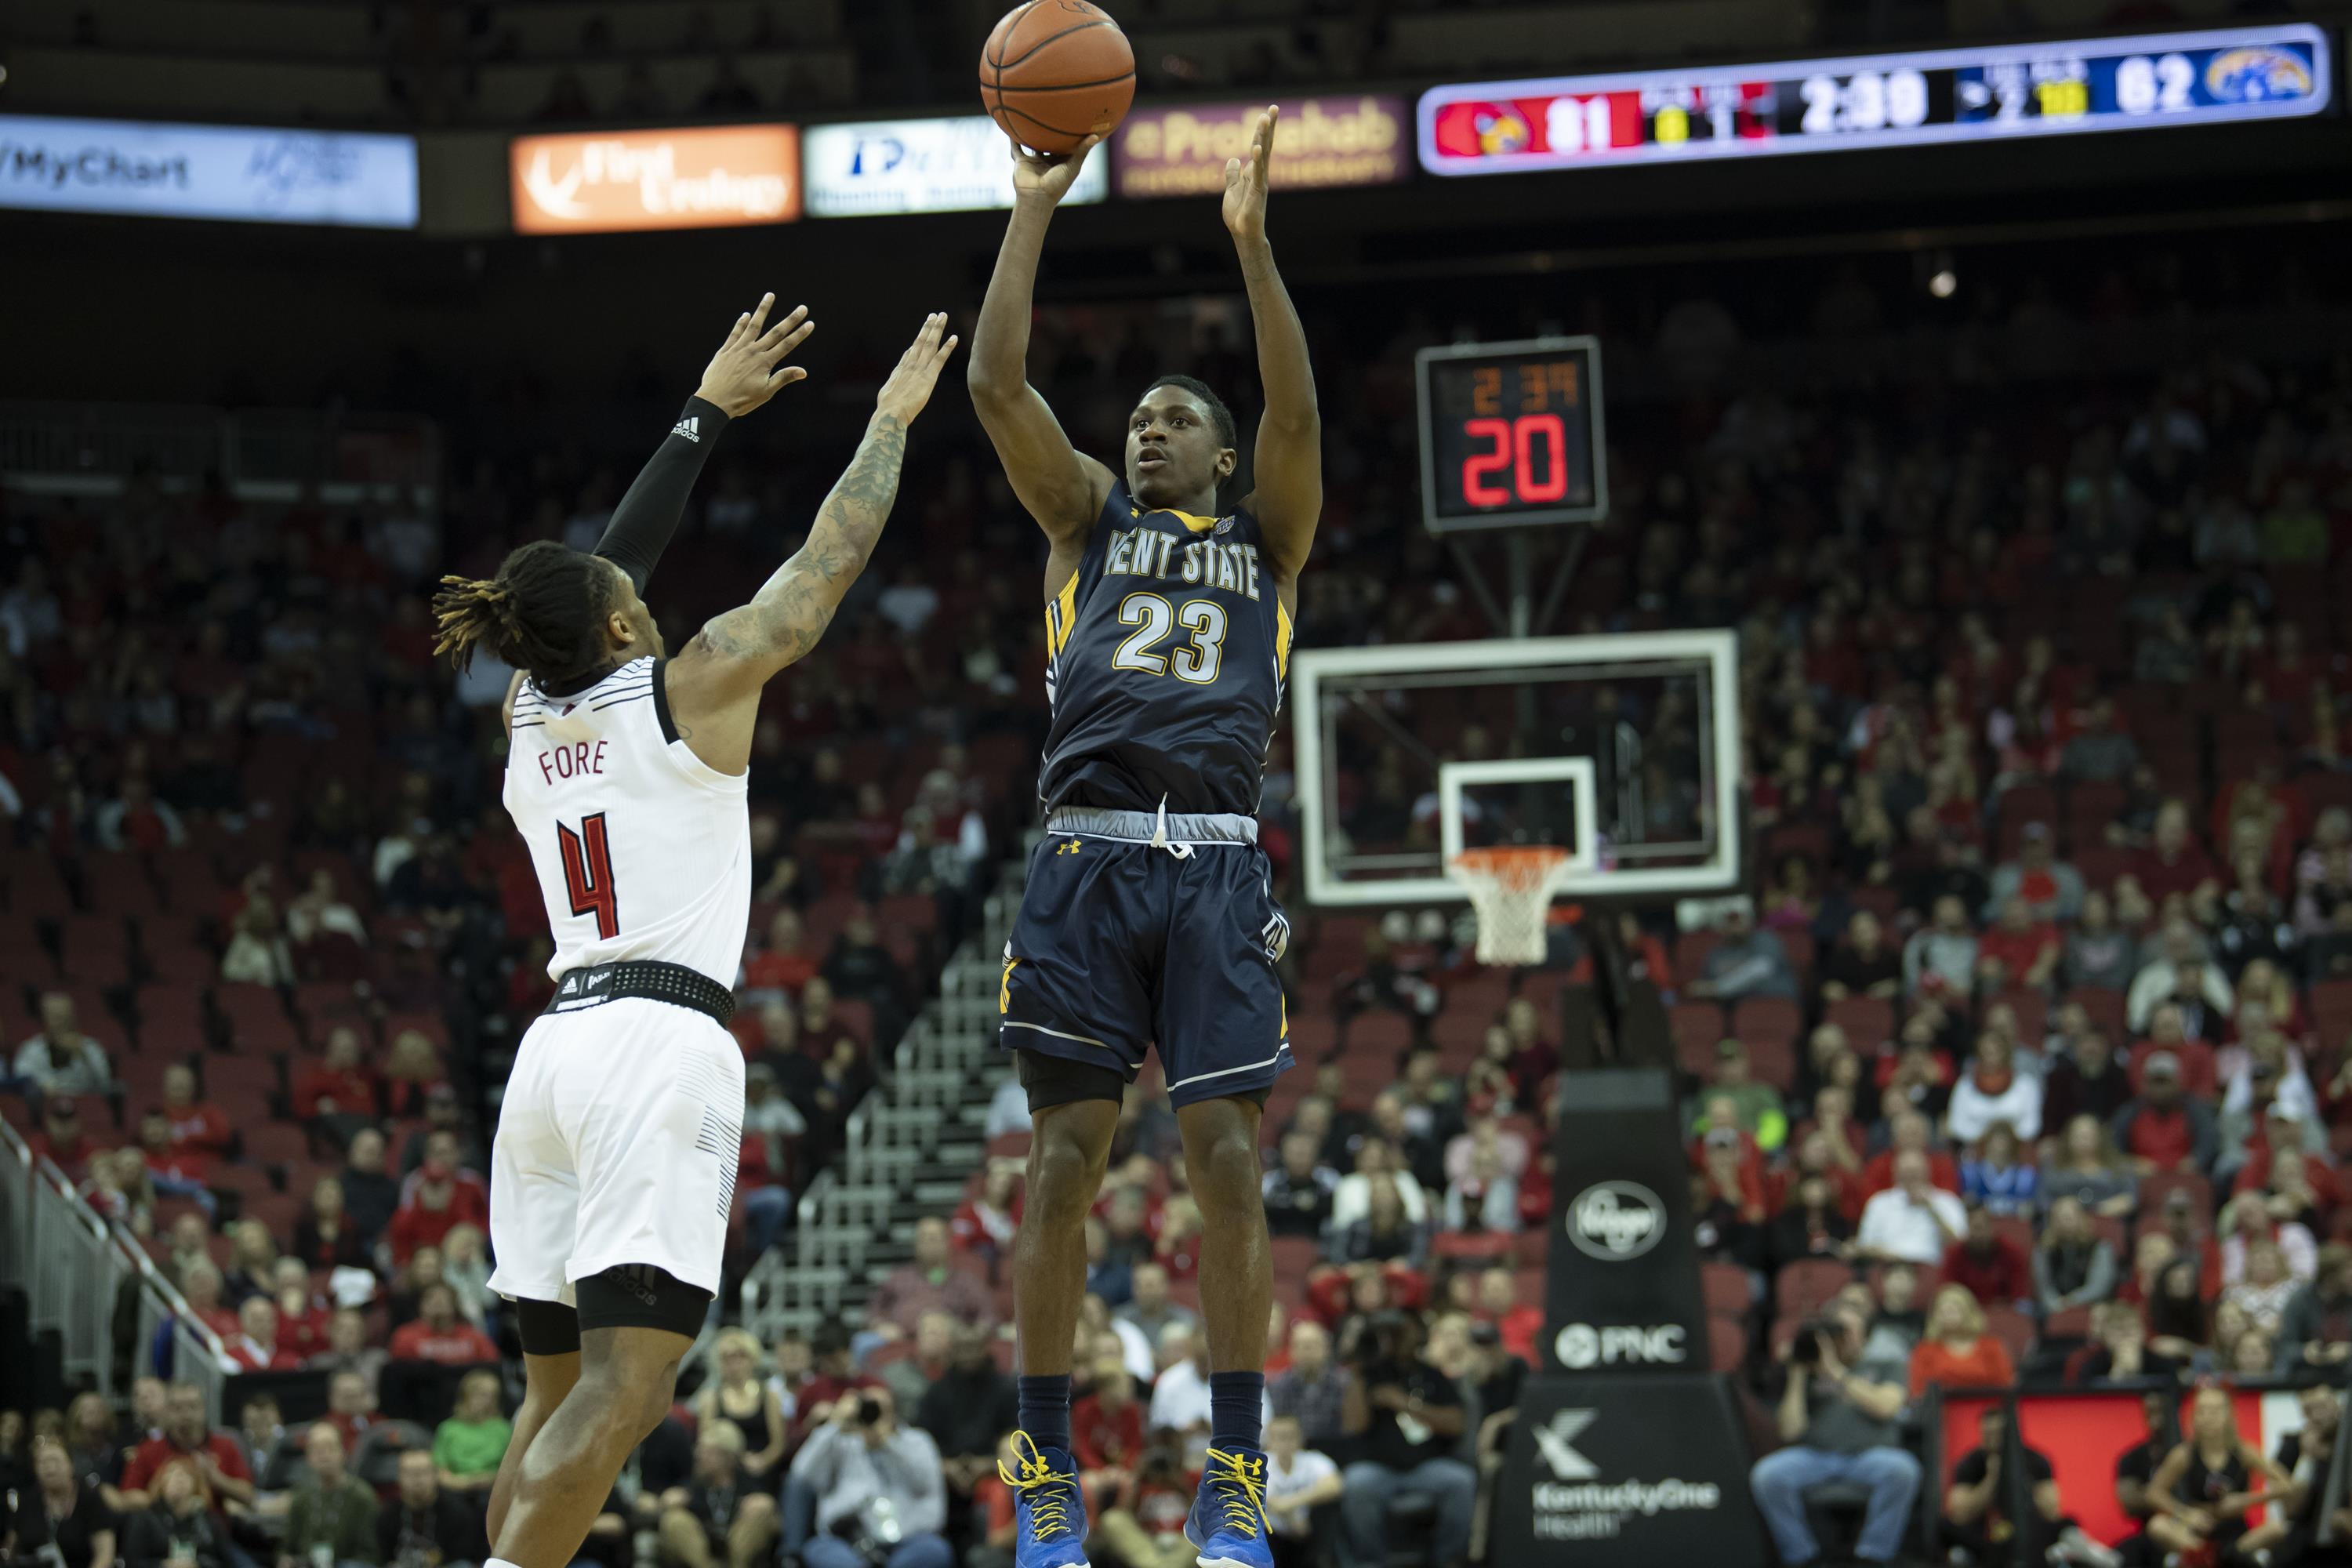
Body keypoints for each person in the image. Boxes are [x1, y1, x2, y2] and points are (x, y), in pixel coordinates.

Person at [433, 298, 956, 1568]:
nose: (646, 591)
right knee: (628, 1397)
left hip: (553, 1058)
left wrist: (703, 417)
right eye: (630, 595)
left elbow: (594, 585)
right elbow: (821, 575)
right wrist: (886, 425)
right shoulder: (698, 681)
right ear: (620, 624)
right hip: (656, 1051)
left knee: (552, 1405)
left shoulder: (524, 715)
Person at [971, 107, 1318, 1568]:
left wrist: (1252, 248)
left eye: (1178, 418)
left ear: (1225, 458)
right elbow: (997, 384)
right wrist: (1032, 209)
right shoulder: (1085, 530)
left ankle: (1235, 1463)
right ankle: (1041, 1455)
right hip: (1085, 857)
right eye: (1140, 419)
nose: (1146, 427)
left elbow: (1299, 418)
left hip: (1219, 859)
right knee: (1062, 1161)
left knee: (1228, 1160)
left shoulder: (1270, 542)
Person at [1748, 1299, 1920, 1568]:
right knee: (1767, 1475)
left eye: (1848, 1330)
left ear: (1865, 1333)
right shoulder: (1808, 1369)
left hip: (1870, 1457)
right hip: (1815, 1456)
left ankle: (1872, 1556)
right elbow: (1789, 1431)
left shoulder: (1885, 1363)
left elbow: (1887, 1407)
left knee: (1903, 1470)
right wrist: (1798, 1373)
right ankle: (1802, 1557)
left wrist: (1837, 1374)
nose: (1841, 1338)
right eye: (1836, 1330)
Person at [1336, 1312, 1475, 1568]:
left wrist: (1403, 1402)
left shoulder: (1432, 1374)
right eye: (1387, 1334)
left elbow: (1456, 1423)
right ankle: (1370, 1562)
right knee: (1356, 1483)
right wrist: (1358, 1370)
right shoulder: (1369, 1374)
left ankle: (1449, 1560)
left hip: (1428, 1466)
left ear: (1417, 1335)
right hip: (1378, 1468)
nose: (1394, 1339)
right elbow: (1352, 1426)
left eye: (1400, 1332)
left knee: (1461, 1482)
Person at [786, 1388, 949, 1568]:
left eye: (881, 1409)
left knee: (935, 1550)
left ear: (894, 1412)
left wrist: (888, 1443)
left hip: (908, 1541)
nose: (874, 1416)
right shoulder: (841, 1441)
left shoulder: (916, 1441)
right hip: (847, 1542)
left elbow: (925, 1484)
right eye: (867, 1408)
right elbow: (801, 1474)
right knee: (819, 1550)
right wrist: (835, 1425)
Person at [1943, 1406, 2119, 1568]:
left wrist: (2020, 1478)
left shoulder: (2035, 1460)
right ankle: (1965, 1557)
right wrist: (1992, 1478)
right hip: (1984, 1533)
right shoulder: (1970, 1463)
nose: (1993, 1440)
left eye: (1998, 1434)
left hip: (2028, 1528)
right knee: (1944, 1526)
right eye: (1988, 1434)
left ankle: (2074, 1552)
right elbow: (1959, 1513)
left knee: (2067, 1524)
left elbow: (2052, 1510)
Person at [2147, 1384, 2294, 1565]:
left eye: (2216, 1411)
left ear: (2228, 1415)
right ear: (2194, 1417)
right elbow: (2154, 1493)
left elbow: (2286, 1485)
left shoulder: (2244, 1452)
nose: (2209, 1418)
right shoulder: (2184, 1454)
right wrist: (2185, 1514)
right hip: (2198, 1530)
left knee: (2277, 1529)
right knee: (2157, 1525)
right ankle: (2203, 1554)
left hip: (2235, 1530)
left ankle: (2226, 1555)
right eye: (2203, 1411)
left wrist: (2246, 1499)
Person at [913, 1324, 1018, 1515]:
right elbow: (920, 1440)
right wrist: (944, 1466)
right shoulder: (935, 1393)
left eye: (973, 1347)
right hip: (945, 1471)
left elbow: (1017, 1438)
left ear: (986, 1348)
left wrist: (990, 1465)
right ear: (952, 1351)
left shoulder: (1007, 1390)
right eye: (962, 1348)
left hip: (997, 1470)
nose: (968, 1354)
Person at [653, 1421, 779, 1568]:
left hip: (737, 1549)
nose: (700, 1456)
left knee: (761, 1514)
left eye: (709, 1452)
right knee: (674, 1519)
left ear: (729, 1458)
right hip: (703, 1549)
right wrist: (669, 1500)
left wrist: (765, 1503)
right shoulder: (693, 1486)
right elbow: (670, 1498)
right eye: (700, 1450)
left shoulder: (747, 1484)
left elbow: (768, 1503)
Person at [119, 1386, 254, 1516]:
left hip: (213, 1532)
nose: (186, 1415)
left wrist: (216, 1478)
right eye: (178, 1408)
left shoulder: (224, 1445)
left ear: (204, 1409)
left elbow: (248, 1495)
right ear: (166, 1412)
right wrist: (167, 1496)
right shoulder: (148, 1449)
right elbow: (128, 1497)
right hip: (163, 1530)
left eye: (193, 1407)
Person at [689, 1330, 787, 1486]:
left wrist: (762, 1462)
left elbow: (778, 1443)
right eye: (726, 1357)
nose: (733, 1363)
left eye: (740, 1356)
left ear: (753, 1358)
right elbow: (706, 1444)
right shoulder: (710, 1399)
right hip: (724, 1473)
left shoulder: (769, 1395)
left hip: (761, 1470)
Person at [5, 1435, 116, 1568]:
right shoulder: (28, 1501)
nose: (50, 1467)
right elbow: (11, 1551)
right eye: (43, 1462)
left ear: (71, 1465)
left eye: (56, 1461)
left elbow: (105, 1555)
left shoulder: (90, 1498)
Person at [869, 1217, 995, 1335]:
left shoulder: (965, 1281)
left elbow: (989, 1316)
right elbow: (874, 1312)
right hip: (903, 1341)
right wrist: (882, 1327)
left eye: (935, 1238)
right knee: (864, 1342)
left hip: (952, 1346)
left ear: (948, 1243)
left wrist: (971, 1334)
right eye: (924, 1238)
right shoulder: (898, 1278)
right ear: (916, 1245)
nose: (930, 1244)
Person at [282, 1424, 380, 1568]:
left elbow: (371, 1555)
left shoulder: (363, 1497)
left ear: (343, 1452)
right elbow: (286, 1547)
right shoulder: (301, 1496)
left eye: (330, 1448)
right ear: (308, 1457)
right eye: (316, 1450)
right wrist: (285, 1560)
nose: (324, 1455)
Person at [1855, 1149, 1967, 1265]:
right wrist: (1883, 1254)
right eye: (1906, 1173)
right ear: (1896, 1173)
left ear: (1927, 1171)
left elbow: (1959, 1247)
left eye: (1915, 1172)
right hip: (1887, 1267)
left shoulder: (1948, 1201)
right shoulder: (1879, 1203)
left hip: (1930, 1268)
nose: (1911, 1178)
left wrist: (1931, 1209)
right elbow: (1864, 1246)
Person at [379, 1448, 487, 1568]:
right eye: (410, 1473)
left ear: (436, 1475)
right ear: (398, 1477)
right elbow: (382, 1556)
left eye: (424, 1472)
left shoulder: (458, 1513)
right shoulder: (387, 1514)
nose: (417, 1479)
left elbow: (464, 1555)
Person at [1258, 1415, 1340, 1568]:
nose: (1285, 1442)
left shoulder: (1314, 1460)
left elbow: (1334, 1486)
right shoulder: (1262, 1463)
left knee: (1329, 1510)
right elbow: (1258, 1495)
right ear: (1269, 1440)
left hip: (1310, 1533)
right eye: (1279, 1437)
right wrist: (1290, 1517)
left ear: (1300, 1437)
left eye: (1290, 1436)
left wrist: (1289, 1503)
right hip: (1273, 1536)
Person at [119, 1459, 231, 1568]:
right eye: (172, 1472)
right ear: (161, 1482)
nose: (179, 1477)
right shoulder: (144, 1518)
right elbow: (132, 1562)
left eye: (187, 1474)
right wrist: (163, 1565)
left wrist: (199, 1565)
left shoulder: (208, 1521)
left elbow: (225, 1561)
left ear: (196, 1484)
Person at [2034, 1195, 2119, 1316]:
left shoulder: (2100, 1247)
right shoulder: (2043, 1250)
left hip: (2090, 1306)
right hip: (2052, 1308)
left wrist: (2072, 1301)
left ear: (2081, 1218)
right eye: (2059, 1218)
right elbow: (2044, 1287)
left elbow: (2099, 1286)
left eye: (2069, 1217)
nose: (2064, 1222)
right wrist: (2055, 1304)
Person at [2274, 1242, 2352, 1371]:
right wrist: (2304, 1352)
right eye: (2349, 1270)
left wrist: (2347, 1350)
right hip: (2307, 1374)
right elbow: (2284, 1347)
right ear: (2330, 1276)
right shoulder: (2300, 1300)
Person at [433, 1370, 513, 1497]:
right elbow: (441, 1473)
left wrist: (487, 1480)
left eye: (492, 1396)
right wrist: (467, 1483)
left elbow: (511, 1471)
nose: (487, 1401)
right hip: (455, 1490)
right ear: (466, 1396)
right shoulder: (447, 1429)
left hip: (494, 1490)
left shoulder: (502, 1429)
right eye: (481, 1395)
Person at [389, 1285, 498, 1367]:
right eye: (431, 1299)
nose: (438, 1302)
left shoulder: (473, 1336)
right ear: (421, 1305)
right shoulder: (405, 1336)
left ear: (454, 1306)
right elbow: (399, 1371)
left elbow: (491, 1364)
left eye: (444, 1299)